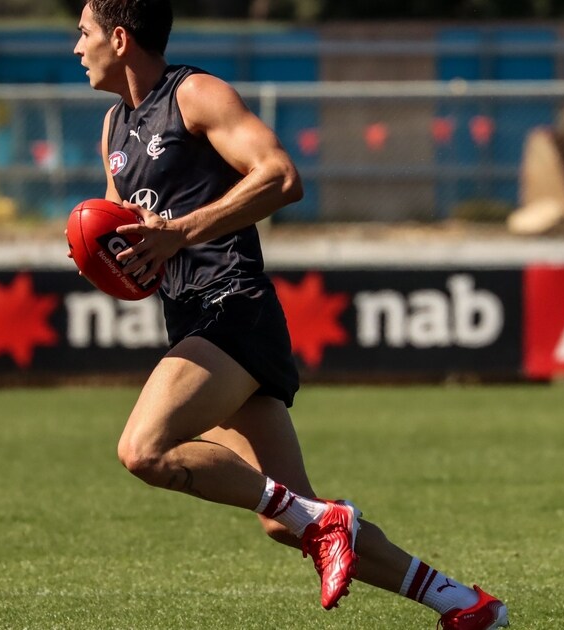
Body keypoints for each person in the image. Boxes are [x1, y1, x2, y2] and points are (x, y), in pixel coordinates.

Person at [71, 2, 509, 627]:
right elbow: (126, 230)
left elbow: (280, 175)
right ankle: (466, 604)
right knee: (288, 516)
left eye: (84, 32)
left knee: (143, 450)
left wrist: (179, 231)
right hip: (193, 320)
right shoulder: (115, 127)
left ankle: (327, 523)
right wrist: (102, 251)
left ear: (119, 37)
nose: (75, 46)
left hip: (232, 306)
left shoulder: (194, 95)